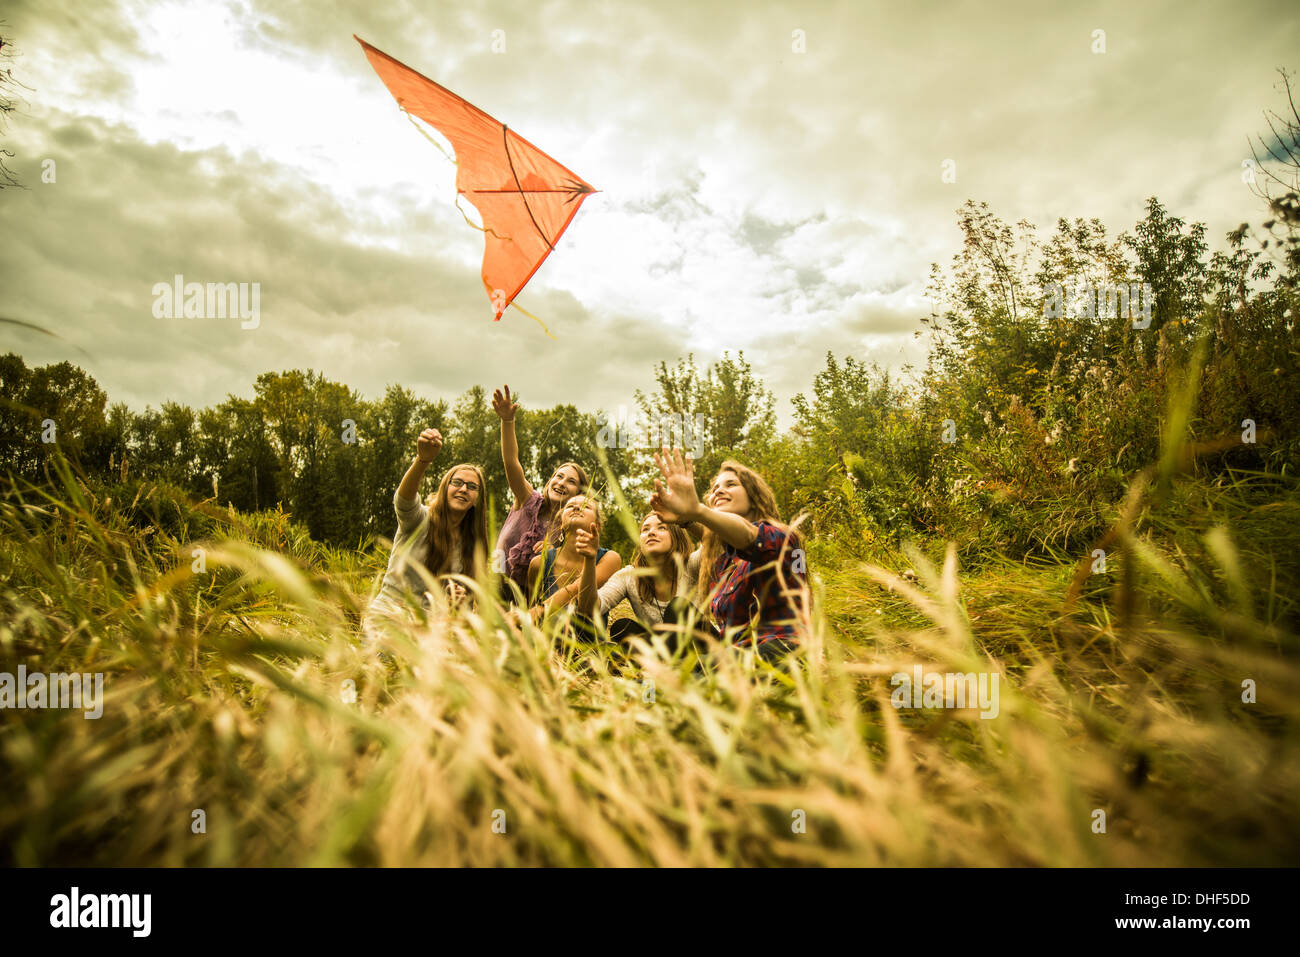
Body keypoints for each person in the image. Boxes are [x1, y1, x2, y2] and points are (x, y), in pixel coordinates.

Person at [649, 449, 808, 659]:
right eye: (714, 489)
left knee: (684, 678)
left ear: (753, 496)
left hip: (776, 652)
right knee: (679, 609)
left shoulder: (782, 537)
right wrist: (686, 519)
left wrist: (698, 511)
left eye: (730, 484)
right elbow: (711, 536)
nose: (718, 492)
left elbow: (749, 536)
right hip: (733, 654)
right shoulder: (725, 560)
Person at [361, 427, 489, 647]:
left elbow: (464, 612)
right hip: (389, 617)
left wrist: (459, 601)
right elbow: (403, 500)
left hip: (431, 632)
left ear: (477, 498)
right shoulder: (420, 520)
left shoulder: (472, 545)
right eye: (456, 483)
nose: (463, 489)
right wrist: (423, 460)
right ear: (445, 487)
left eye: (471, 486)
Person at [491, 384, 590, 604]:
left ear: (578, 493)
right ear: (550, 480)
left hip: (533, 600)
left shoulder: (571, 527)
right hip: (497, 586)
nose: (561, 483)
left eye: (571, 481)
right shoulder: (528, 500)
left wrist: (554, 552)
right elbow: (511, 462)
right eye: (558, 476)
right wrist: (507, 422)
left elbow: (572, 573)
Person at [577, 512, 701, 652]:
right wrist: (589, 560)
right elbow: (589, 608)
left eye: (661, 527)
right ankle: (663, 665)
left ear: (677, 535)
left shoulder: (692, 564)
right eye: (645, 529)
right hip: (661, 652)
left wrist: (688, 520)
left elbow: (716, 543)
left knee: (677, 607)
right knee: (622, 627)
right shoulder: (630, 576)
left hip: (701, 651)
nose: (651, 533)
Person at [526, 493, 621, 624]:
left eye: (585, 507)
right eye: (570, 506)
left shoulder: (610, 558)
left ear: (597, 525)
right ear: (560, 523)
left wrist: (540, 610)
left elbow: (577, 589)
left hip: (592, 643)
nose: (576, 508)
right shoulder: (539, 563)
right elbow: (532, 609)